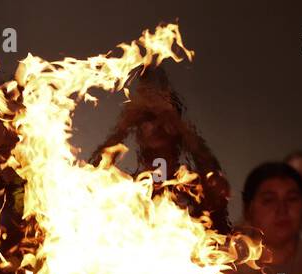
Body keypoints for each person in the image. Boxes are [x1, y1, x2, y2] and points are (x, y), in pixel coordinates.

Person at [94, 66, 231, 232]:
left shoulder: (193, 189)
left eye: (165, 117)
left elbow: (218, 188)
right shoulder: (127, 190)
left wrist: (184, 129)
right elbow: (88, 184)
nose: (158, 124)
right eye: (148, 117)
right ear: (137, 130)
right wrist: (123, 127)